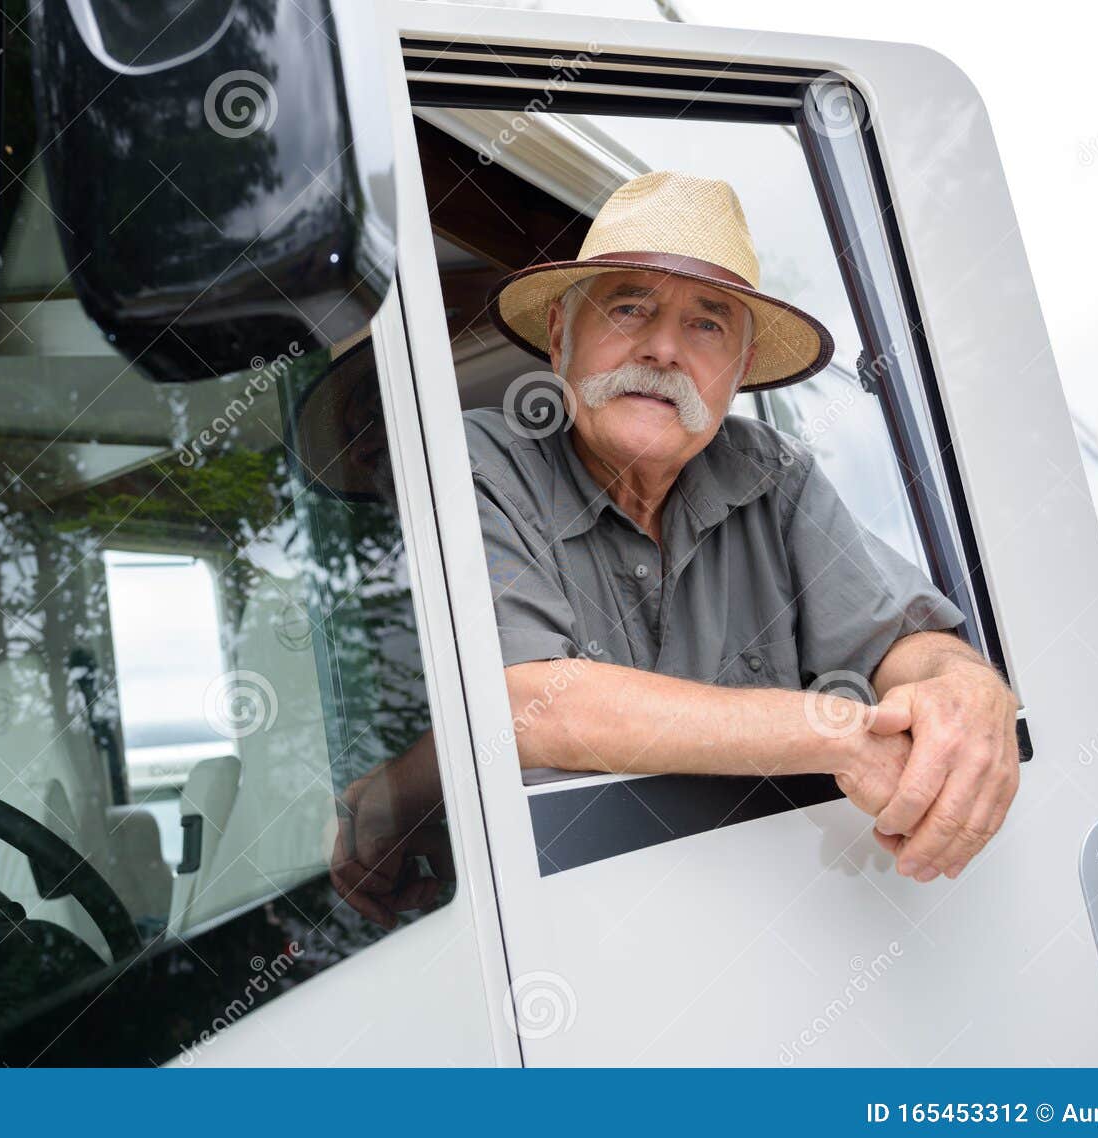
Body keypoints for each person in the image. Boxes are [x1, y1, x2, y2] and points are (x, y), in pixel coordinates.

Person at [330, 171, 1019, 929]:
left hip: (784, 924)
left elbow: (903, 641)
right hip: (566, 934)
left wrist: (968, 691)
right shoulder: (477, 462)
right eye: (630, 307)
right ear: (561, 334)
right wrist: (840, 734)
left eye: (708, 325)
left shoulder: (775, 475)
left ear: (739, 373)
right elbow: (528, 707)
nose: (663, 349)